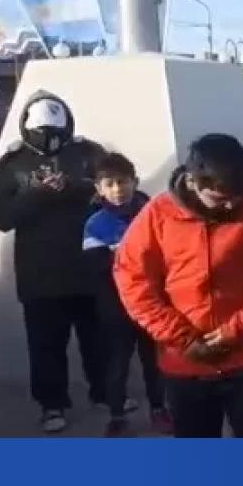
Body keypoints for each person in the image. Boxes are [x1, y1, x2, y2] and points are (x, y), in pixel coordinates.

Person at [115, 134, 243, 438]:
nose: (231, 205)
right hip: (185, 365)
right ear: (193, 182)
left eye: (237, 196)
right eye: (220, 199)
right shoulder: (158, 215)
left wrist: (234, 330)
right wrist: (183, 340)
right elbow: (134, 282)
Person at [0, 92, 107, 433]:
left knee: (99, 339)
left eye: (55, 130)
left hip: (88, 267)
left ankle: (105, 392)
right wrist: (35, 194)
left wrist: (73, 188)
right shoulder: (12, 162)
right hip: (40, 274)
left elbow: (112, 192)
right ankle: (52, 404)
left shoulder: (88, 153)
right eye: (41, 131)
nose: (49, 137)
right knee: (45, 345)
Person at [81, 153, 169, 437]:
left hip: (152, 304)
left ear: (135, 182)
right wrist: (128, 256)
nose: (118, 189)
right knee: (117, 363)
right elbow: (95, 264)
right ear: (99, 188)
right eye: (109, 184)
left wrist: (125, 255)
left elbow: (165, 255)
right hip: (115, 308)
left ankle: (159, 409)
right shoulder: (95, 223)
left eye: (123, 182)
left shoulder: (152, 214)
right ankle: (116, 414)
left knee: (154, 362)